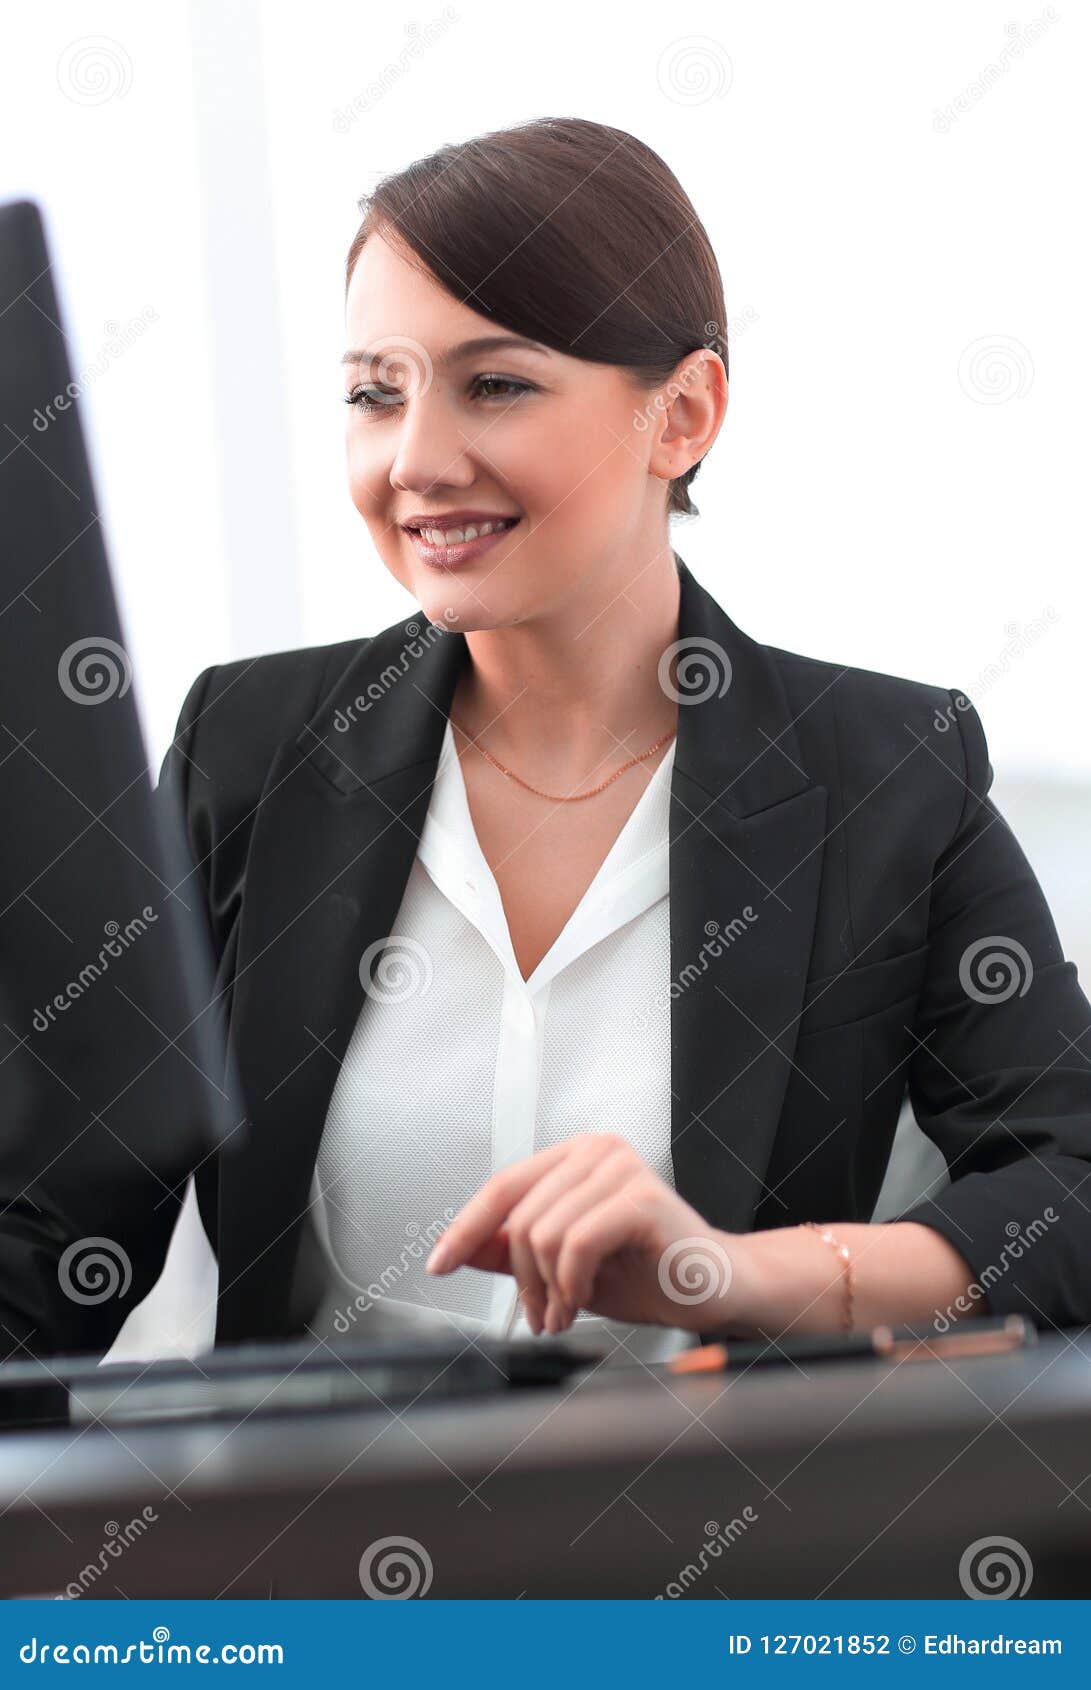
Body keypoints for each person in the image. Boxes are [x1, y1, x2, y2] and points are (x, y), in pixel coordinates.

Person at [11, 116, 1091, 1363]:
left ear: (681, 415)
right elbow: (50, 1234)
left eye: (497, 384)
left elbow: (1066, 1182)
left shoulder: (884, 770)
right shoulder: (247, 752)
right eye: (375, 392)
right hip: (308, 1530)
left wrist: (728, 1273)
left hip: (709, 1530)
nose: (413, 460)